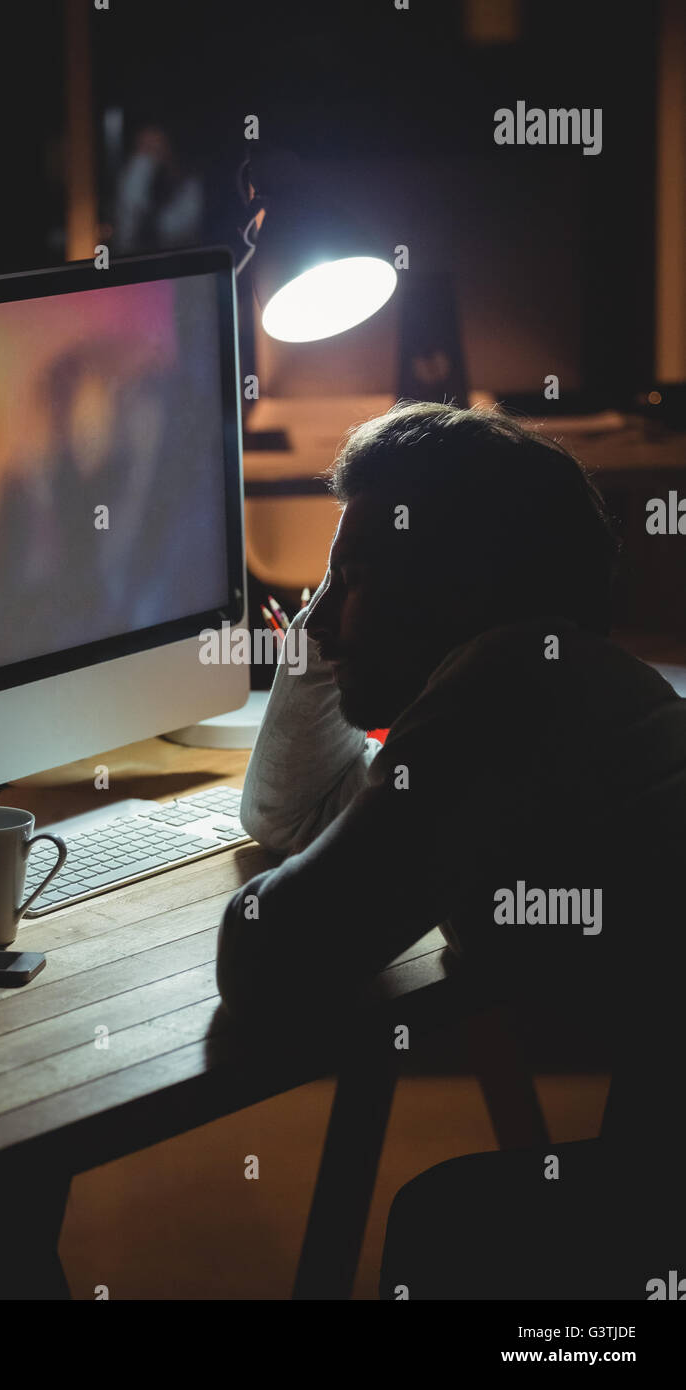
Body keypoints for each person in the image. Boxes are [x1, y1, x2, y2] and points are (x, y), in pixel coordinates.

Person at [215, 401, 686, 1298]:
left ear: (454, 590)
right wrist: (342, 607)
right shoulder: (556, 677)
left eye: (356, 582)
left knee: (447, 1228)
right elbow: (299, 814)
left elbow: (268, 959)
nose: (317, 622)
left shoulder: (508, 690)